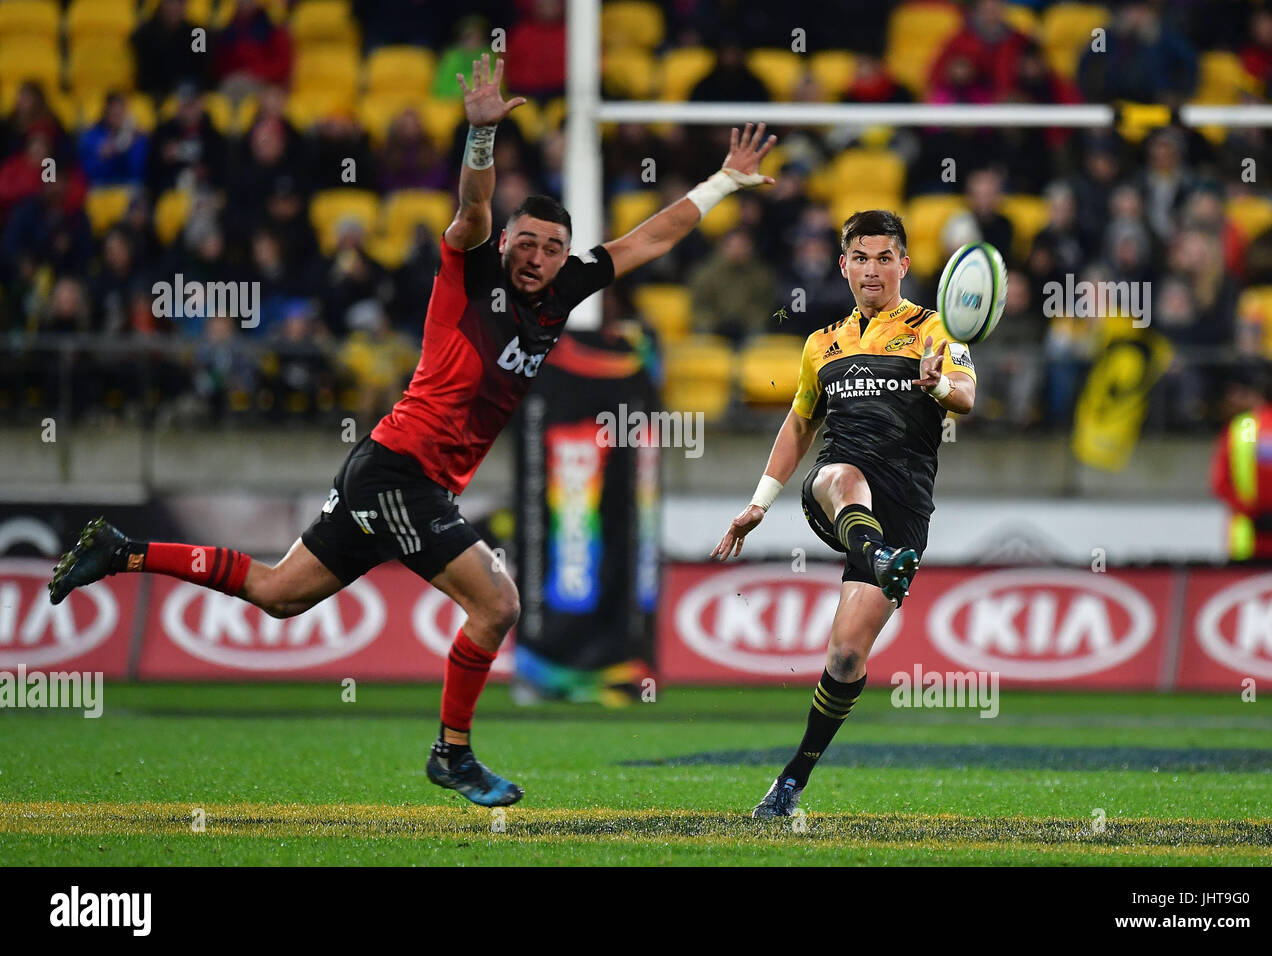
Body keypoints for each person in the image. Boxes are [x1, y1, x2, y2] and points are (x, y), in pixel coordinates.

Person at [48, 54, 777, 807]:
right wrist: (482, 140)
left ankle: (123, 550)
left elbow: (650, 238)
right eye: (524, 242)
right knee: (497, 607)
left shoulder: (564, 291)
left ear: (564, 256)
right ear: (506, 244)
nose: (534, 257)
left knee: (278, 594)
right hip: (402, 470)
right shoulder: (471, 268)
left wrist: (723, 180)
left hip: (390, 471)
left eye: (550, 248)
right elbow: (471, 206)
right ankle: (452, 754)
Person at [710, 209, 976, 818]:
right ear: (844, 266)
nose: (873, 270)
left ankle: (790, 783)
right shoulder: (820, 344)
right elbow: (801, 421)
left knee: (845, 658)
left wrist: (936, 384)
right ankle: (876, 554)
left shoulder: (935, 329)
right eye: (862, 258)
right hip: (836, 489)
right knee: (842, 475)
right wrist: (759, 503)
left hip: (905, 506)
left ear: (905, 264)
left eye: (885, 258)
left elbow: (966, 396)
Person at [1209, 368, 1272, 561]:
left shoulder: (1242, 428)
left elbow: (1220, 483)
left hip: (1246, 535)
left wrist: (1250, 511)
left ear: (1260, 396)